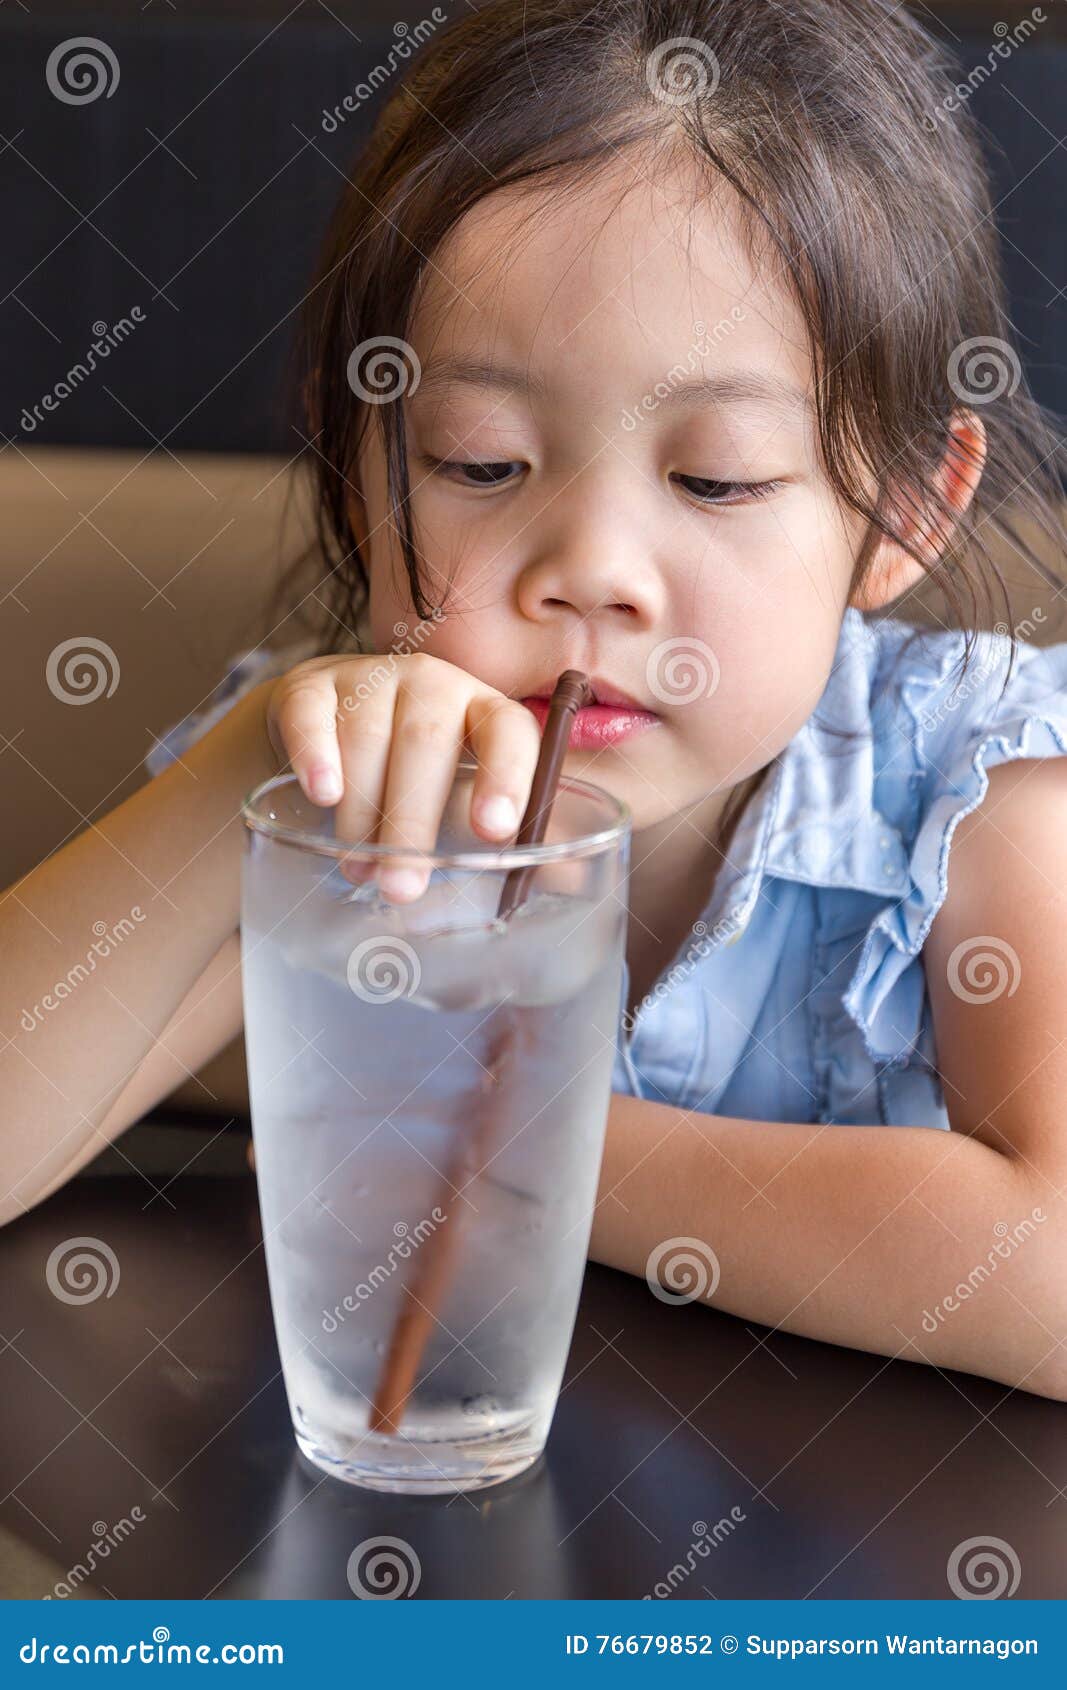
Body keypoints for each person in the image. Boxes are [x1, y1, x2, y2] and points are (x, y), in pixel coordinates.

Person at [6, 0, 1067, 1398]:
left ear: (909, 507)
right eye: (481, 461)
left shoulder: (976, 782)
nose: (593, 574)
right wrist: (235, 785)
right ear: (352, 465)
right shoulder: (339, 785)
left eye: (717, 479)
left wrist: (510, 1142)